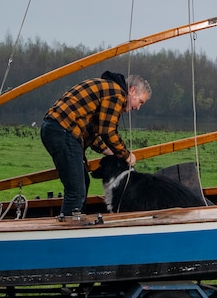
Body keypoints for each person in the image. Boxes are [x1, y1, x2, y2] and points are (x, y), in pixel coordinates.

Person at [41, 71, 151, 219]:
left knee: (83, 182)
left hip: (56, 128)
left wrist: (105, 149)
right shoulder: (116, 93)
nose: (137, 108)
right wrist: (126, 155)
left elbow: (92, 128)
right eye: (140, 102)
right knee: (76, 190)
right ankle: (68, 229)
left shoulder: (107, 88)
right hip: (63, 131)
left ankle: (77, 221)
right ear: (132, 90)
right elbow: (108, 130)